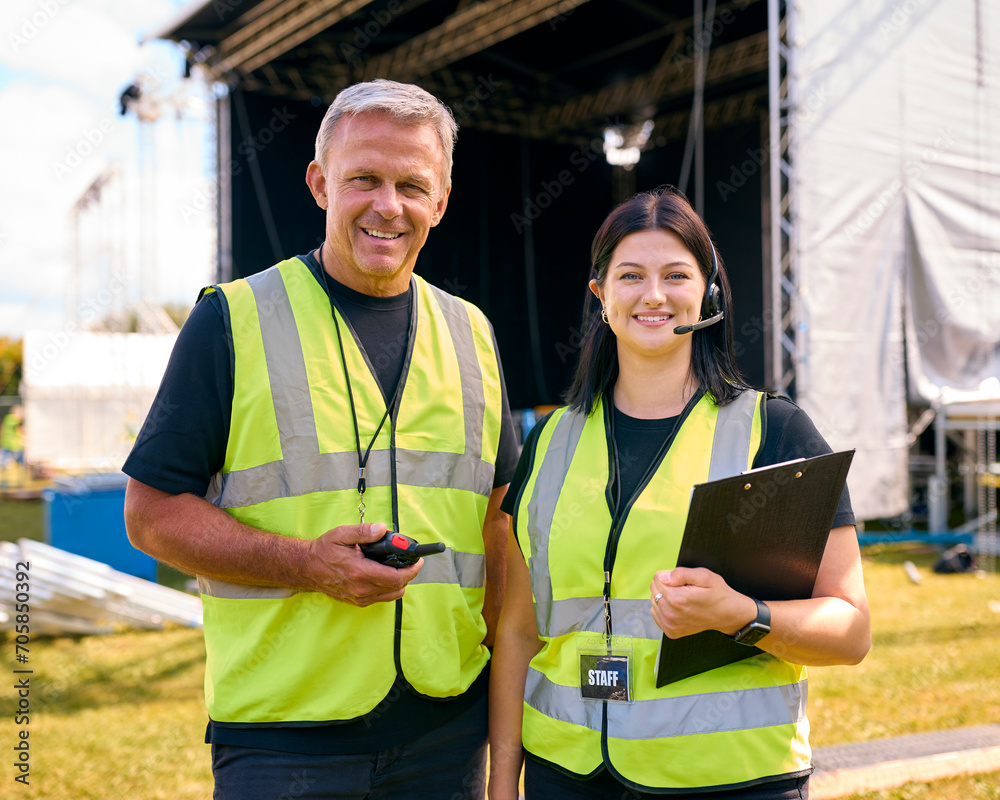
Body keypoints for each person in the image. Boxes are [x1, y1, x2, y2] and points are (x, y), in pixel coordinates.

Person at [123, 79, 520, 799]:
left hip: (446, 734)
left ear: (441, 200)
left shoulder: (475, 336)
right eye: (363, 178)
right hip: (281, 739)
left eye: (411, 185)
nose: (386, 205)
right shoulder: (231, 320)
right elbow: (149, 515)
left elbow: (495, 525)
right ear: (318, 183)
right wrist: (306, 562)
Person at [488, 186, 871, 799]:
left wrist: (744, 616)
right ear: (601, 294)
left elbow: (851, 631)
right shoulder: (549, 442)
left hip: (728, 779)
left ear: (707, 292)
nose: (654, 295)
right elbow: (516, 633)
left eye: (676, 275)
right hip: (567, 775)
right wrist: (502, 785)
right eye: (631, 275)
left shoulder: (774, 431)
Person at [0, 404, 25, 487]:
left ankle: (5, 482)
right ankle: (19, 482)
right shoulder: (13, 419)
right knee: (21, 465)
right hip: (15, 446)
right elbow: (20, 429)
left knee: (4, 464)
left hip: (7, 444)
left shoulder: (7, 418)